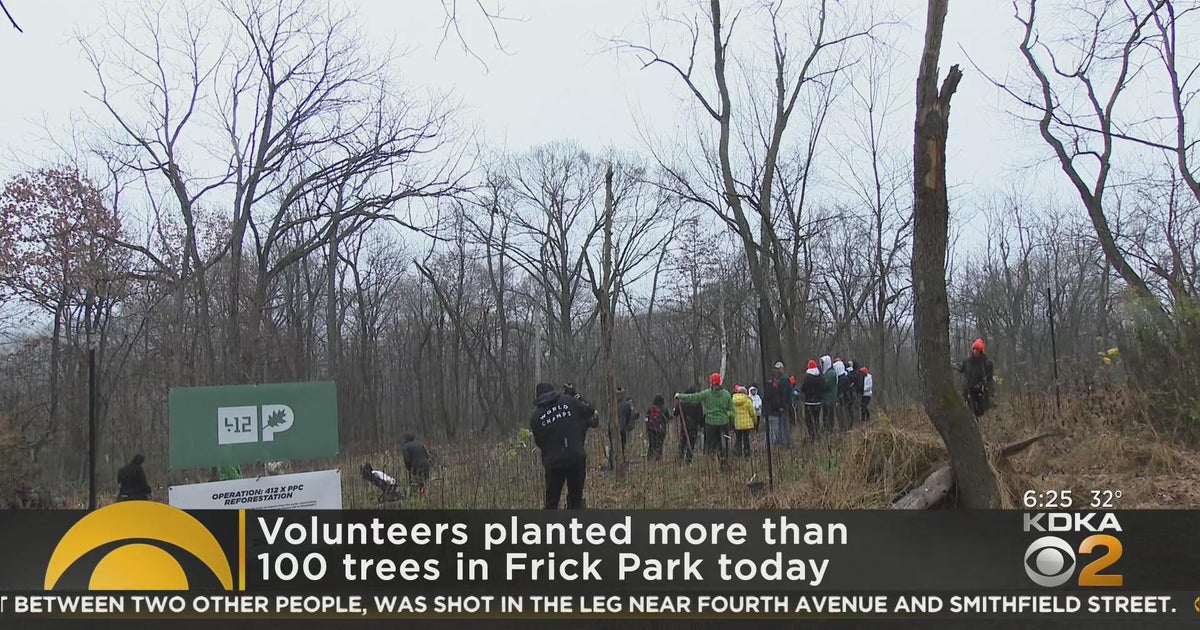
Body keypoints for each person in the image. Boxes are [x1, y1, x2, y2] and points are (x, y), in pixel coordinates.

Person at [530, 382, 598, 509]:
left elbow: (539, 442)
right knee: (575, 501)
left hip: (553, 462)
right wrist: (576, 395)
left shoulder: (536, 417)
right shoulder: (569, 401)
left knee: (551, 504)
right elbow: (590, 409)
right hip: (576, 458)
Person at [675, 373, 734, 465]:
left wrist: (680, 396)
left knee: (710, 447)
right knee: (723, 445)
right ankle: (723, 463)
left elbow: (693, 397)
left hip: (710, 424)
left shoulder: (706, 393)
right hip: (723, 423)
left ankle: (710, 465)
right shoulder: (726, 394)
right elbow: (732, 410)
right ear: (720, 382)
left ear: (711, 382)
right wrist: (728, 418)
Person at [956, 338, 994, 417]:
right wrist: (953, 366)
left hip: (981, 389)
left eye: (978, 350)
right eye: (975, 349)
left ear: (981, 351)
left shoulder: (986, 362)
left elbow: (989, 377)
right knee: (971, 409)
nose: (976, 351)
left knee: (981, 410)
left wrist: (987, 387)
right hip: (969, 388)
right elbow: (961, 369)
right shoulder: (968, 361)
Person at [762, 362, 793, 449]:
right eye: (776, 368)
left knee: (782, 425)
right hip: (777, 407)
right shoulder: (774, 381)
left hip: (782, 405)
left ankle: (785, 443)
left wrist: (784, 404)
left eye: (778, 368)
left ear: (781, 369)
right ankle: (781, 442)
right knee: (779, 425)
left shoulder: (784, 379)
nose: (777, 370)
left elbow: (786, 393)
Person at [672, 387, 704, 464]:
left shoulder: (682, 403)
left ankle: (680, 456)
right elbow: (700, 416)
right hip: (694, 427)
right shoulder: (697, 403)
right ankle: (688, 459)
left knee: (683, 442)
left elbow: (675, 413)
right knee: (692, 443)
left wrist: (675, 409)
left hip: (684, 426)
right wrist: (701, 424)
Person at [800, 360, 824, 441]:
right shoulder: (820, 377)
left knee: (809, 421)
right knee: (816, 419)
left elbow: (803, 389)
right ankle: (817, 434)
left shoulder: (807, 378)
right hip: (818, 402)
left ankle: (812, 436)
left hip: (809, 402)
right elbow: (822, 387)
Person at [731, 385, 756, 457]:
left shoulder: (733, 400)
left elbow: (731, 412)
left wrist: (732, 422)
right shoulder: (748, 400)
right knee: (746, 439)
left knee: (738, 439)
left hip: (737, 423)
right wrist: (755, 421)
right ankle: (747, 453)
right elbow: (752, 413)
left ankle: (738, 453)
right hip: (746, 424)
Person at [644, 394, 670, 461]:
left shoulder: (650, 409)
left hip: (651, 430)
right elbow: (667, 420)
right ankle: (657, 459)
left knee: (652, 445)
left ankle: (649, 459)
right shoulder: (664, 409)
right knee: (659, 445)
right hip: (661, 430)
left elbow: (646, 419)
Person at [820, 355, 838, 434]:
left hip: (829, 399)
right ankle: (826, 429)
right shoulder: (826, 372)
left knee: (829, 416)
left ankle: (829, 430)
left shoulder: (830, 373)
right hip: (825, 399)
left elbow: (826, 385)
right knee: (825, 416)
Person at [834, 358, 852, 431]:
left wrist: (840, 395)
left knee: (843, 413)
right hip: (845, 398)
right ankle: (845, 427)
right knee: (845, 413)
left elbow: (842, 389)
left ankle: (844, 427)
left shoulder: (842, 378)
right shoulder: (845, 376)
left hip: (843, 398)